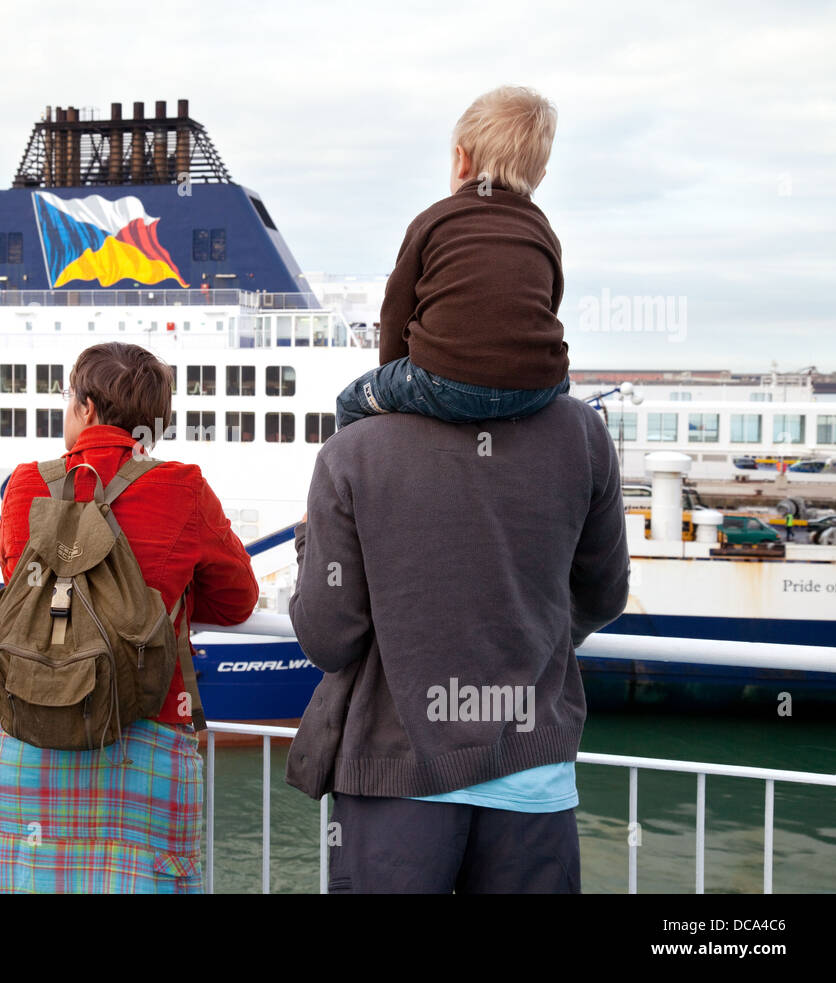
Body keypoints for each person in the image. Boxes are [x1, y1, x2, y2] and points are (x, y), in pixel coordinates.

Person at [286, 395, 629, 893]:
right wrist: (536, 636)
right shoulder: (580, 431)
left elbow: (327, 638)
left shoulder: (356, 448)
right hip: (533, 779)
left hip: (395, 782)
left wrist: (307, 539)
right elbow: (604, 594)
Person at [0, 342, 258, 893]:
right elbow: (237, 601)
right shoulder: (183, 487)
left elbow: (24, 585)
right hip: (145, 735)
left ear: (88, 409)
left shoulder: (29, 484)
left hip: (28, 731)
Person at [336, 86, 571, 429]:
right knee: (563, 390)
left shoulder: (435, 219)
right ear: (540, 177)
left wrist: (393, 374)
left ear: (462, 160)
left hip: (442, 383)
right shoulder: (542, 230)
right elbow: (549, 305)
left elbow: (396, 309)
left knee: (350, 402)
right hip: (533, 387)